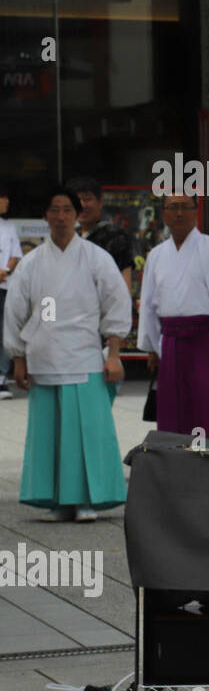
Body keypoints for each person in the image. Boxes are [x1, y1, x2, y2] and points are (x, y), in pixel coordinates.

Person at [3, 190, 131, 522]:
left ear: (77, 215)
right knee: (50, 437)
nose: (61, 216)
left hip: (85, 356)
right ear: (45, 216)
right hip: (43, 356)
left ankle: (88, 499)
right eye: (54, 210)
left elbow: (116, 303)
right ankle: (57, 501)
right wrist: (18, 358)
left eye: (67, 210)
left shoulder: (96, 257)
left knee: (88, 432)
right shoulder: (30, 263)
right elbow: (15, 312)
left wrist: (113, 354)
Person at [137, 192, 209, 443]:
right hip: (171, 340)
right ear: (163, 213)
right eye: (172, 207)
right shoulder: (156, 255)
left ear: (196, 211)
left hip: (204, 339)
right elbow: (150, 304)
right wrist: (151, 346)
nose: (178, 213)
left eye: (185, 207)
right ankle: (176, 460)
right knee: (174, 405)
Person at [69, 175, 134, 292]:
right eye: (77, 200)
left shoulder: (116, 236)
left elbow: (125, 282)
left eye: (87, 199)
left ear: (100, 202)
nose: (82, 205)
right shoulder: (72, 237)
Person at [0, 184, 24, 400]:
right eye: (3, 198)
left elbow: (16, 254)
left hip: (5, 285)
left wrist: (6, 270)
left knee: (4, 332)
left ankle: (1, 379)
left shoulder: (9, 227)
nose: (6, 202)